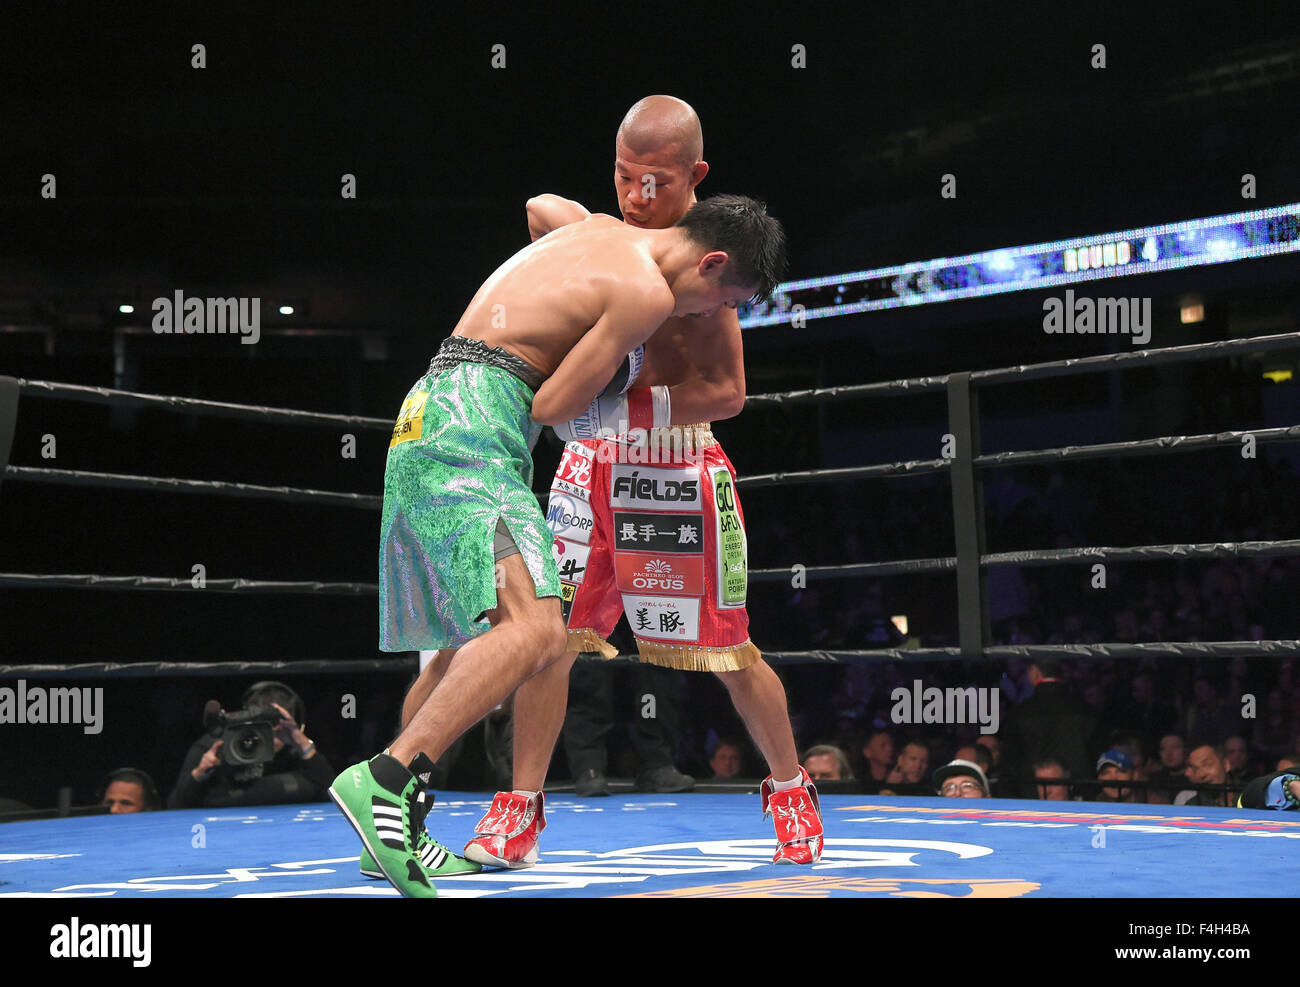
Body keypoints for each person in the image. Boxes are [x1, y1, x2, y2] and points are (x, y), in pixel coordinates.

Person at [384, 95, 818, 875]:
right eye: (627, 178)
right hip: (588, 464)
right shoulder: (614, 243)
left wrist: (620, 402)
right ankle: (518, 809)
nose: (641, 195)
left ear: (696, 176)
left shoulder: (707, 266)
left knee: (726, 651)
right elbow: (541, 208)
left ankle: (790, 787)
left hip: (673, 462)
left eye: (658, 181)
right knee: (549, 637)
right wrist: (585, 230)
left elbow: (728, 394)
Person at [170, 683, 335, 810]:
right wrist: (199, 774)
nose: (273, 737)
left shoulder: (294, 751)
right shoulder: (214, 748)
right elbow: (175, 806)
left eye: (279, 729)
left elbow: (332, 796)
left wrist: (301, 741)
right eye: (266, 728)